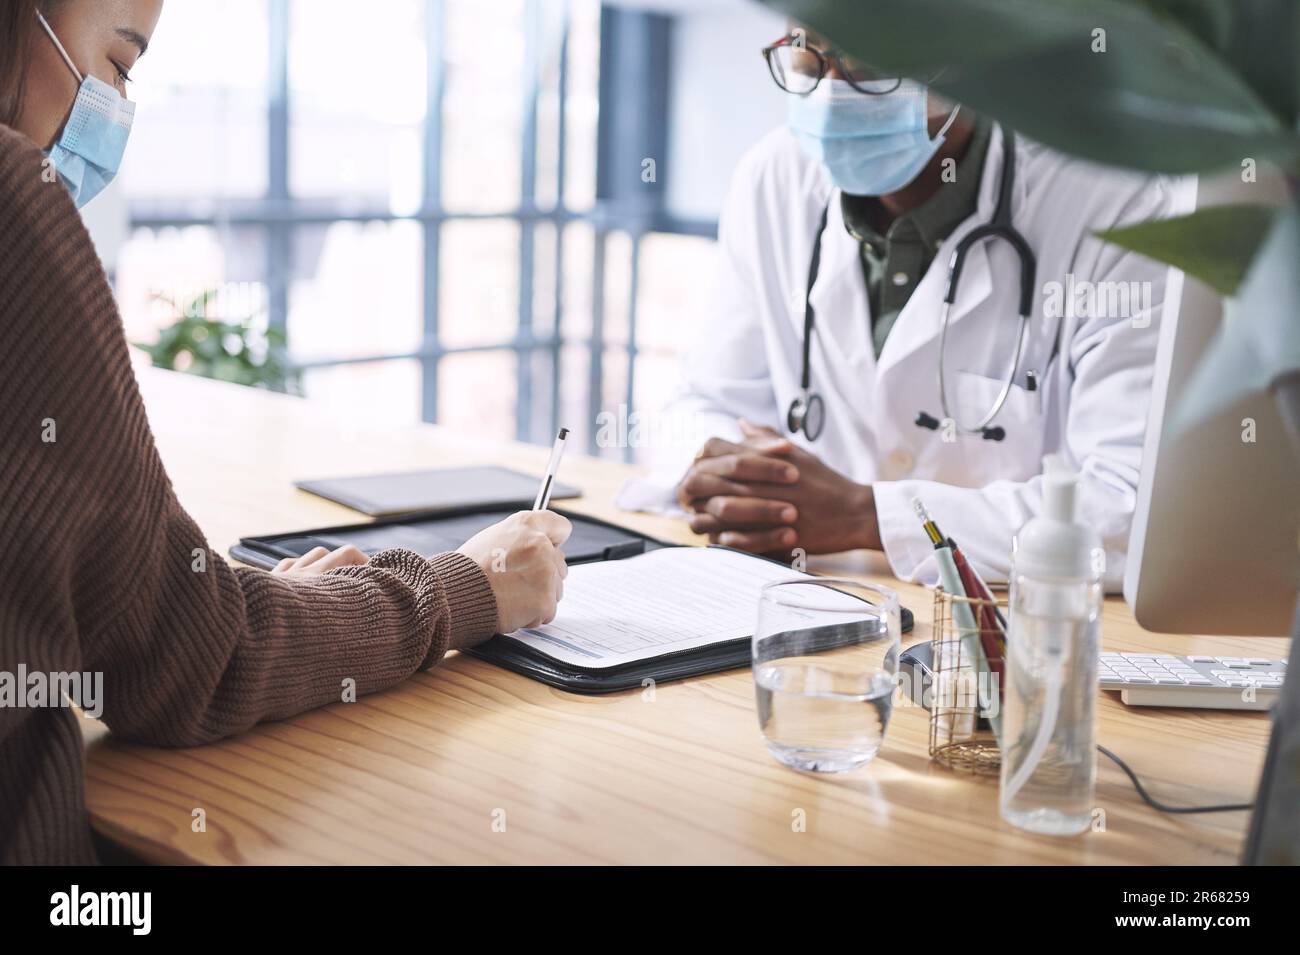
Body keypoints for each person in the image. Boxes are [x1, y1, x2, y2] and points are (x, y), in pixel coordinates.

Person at [0, 0, 569, 864]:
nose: (116, 108)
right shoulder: (16, 211)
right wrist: (462, 587)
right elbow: (194, 661)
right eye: (120, 65)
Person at [623, 27, 1188, 590]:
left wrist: (865, 516)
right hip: (815, 602)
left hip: (1012, 630)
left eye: (870, 60)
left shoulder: (1117, 205)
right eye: (809, 56)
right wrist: (736, 478)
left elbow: (1128, 509)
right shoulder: (775, 177)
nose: (832, 92)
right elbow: (705, 401)